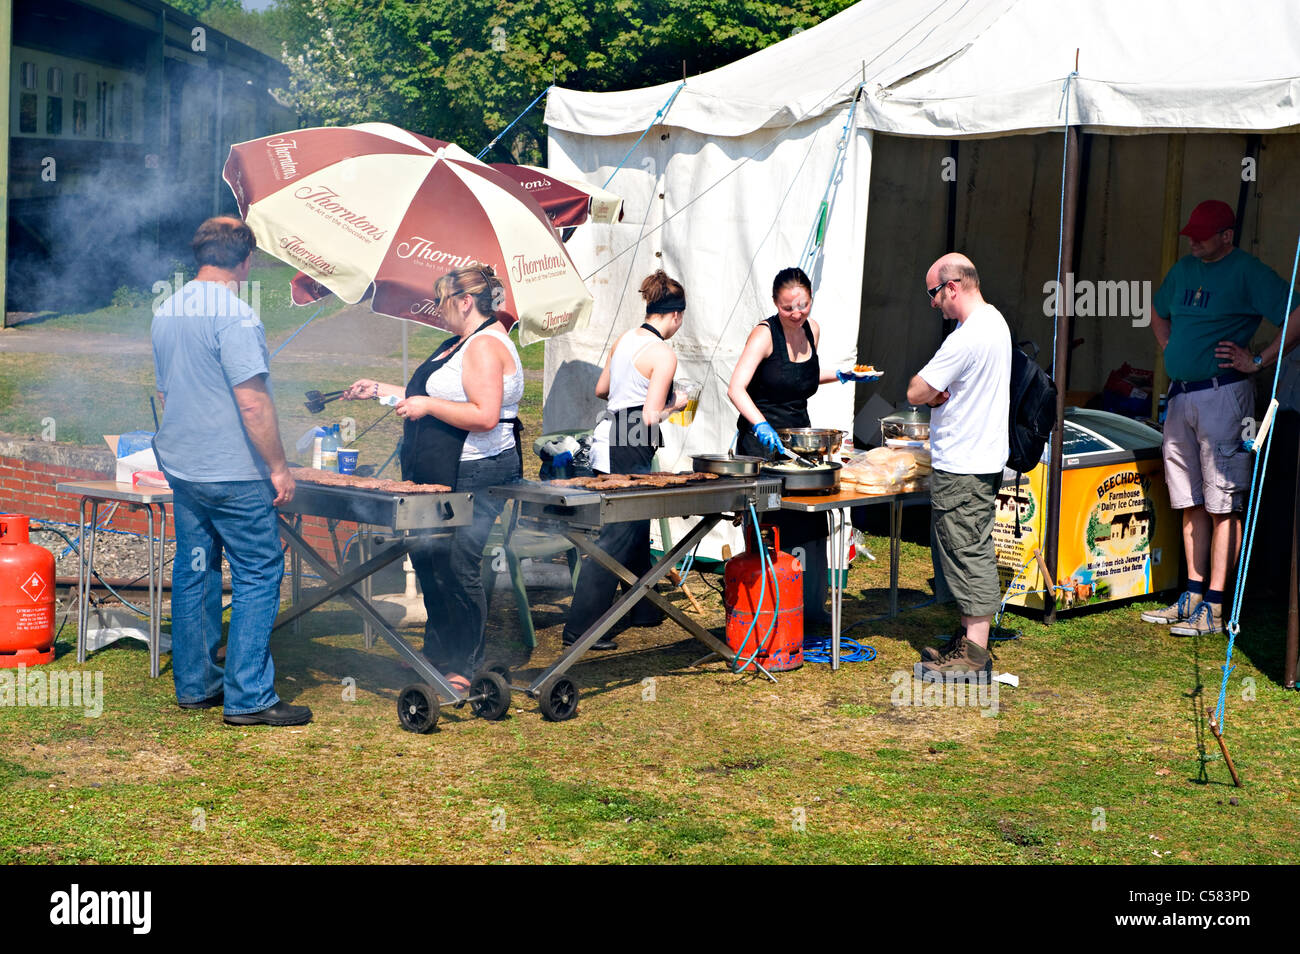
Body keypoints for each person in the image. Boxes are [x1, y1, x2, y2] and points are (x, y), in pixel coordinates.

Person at [152, 216, 310, 726]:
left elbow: (166, 391)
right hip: (232, 472)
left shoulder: (167, 309)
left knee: (195, 568)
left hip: (183, 466)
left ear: (199, 256)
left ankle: (196, 685)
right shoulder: (238, 316)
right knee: (260, 570)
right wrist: (280, 468)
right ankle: (249, 697)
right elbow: (253, 406)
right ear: (246, 261)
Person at [344, 265, 523, 690]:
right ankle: (438, 652)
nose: (437, 309)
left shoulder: (484, 346)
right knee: (428, 557)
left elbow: (483, 415)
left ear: (465, 301)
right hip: (441, 471)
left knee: (458, 565)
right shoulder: (458, 343)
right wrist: (383, 392)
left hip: (477, 471)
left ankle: (465, 662)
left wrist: (425, 406)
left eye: (442, 301)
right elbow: (434, 395)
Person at [1141, 199, 1300, 636]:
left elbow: (1297, 312)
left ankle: (1214, 603)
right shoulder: (1184, 268)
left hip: (1223, 394)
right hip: (1182, 396)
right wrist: (1171, 347)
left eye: (1203, 234)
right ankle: (1192, 594)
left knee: (1222, 502)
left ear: (1227, 236)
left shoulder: (1248, 271)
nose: (1193, 240)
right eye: (1191, 233)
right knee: (1190, 499)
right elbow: (1157, 310)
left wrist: (1259, 360)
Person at [561, 271, 689, 651]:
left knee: (634, 525)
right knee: (617, 535)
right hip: (633, 435)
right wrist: (675, 404)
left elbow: (602, 389)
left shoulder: (624, 339)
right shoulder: (663, 353)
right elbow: (650, 416)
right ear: (676, 315)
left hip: (611, 432)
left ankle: (644, 608)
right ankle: (581, 628)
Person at [727, 267, 858, 625]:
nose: (796, 313)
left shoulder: (813, 331)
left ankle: (806, 605)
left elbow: (801, 377)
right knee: (768, 523)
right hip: (761, 443)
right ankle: (767, 607)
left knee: (805, 520)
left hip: (797, 445)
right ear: (775, 304)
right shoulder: (763, 335)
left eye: (802, 305)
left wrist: (843, 374)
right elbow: (736, 387)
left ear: (810, 300)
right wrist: (762, 425)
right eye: (788, 308)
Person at [906, 253, 1010, 680]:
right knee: (970, 548)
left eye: (934, 293)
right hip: (980, 459)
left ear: (952, 286)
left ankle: (975, 655)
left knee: (968, 553)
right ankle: (968, 640)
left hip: (965, 462)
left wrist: (931, 395)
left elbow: (915, 390)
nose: (933, 304)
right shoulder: (997, 322)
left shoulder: (964, 337)